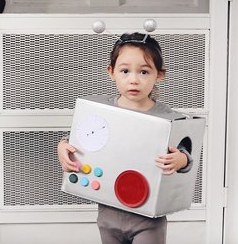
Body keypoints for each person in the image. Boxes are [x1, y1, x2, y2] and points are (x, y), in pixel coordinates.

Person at [57, 32, 193, 244]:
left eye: (144, 71)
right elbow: (84, 137)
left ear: (159, 75)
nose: (134, 79)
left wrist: (181, 159)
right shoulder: (102, 110)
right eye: (125, 70)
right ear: (111, 72)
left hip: (148, 220)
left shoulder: (168, 117)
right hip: (108, 216)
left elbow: (185, 149)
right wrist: (63, 146)